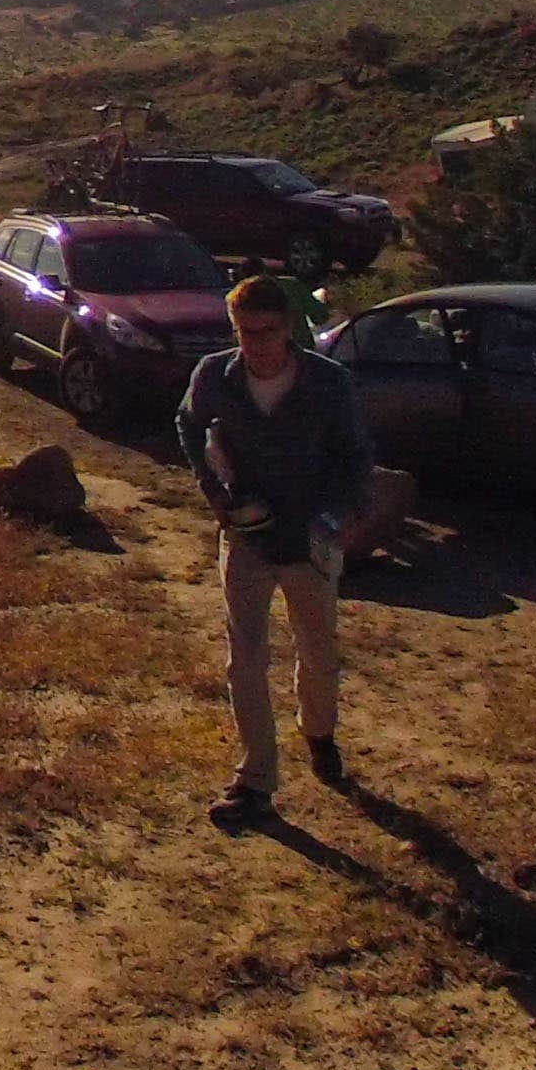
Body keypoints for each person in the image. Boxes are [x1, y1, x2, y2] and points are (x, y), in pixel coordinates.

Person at [176, 273, 377, 828]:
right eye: (244, 332)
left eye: (266, 331)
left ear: (289, 328)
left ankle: (319, 735)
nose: (256, 344)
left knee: (317, 651)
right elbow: (188, 423)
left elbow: (358, 459)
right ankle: (255, 780)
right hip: (247, 535)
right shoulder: (215, 375)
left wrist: (336, 521)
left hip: (310, 536)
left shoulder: (329, 384)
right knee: (245, 659)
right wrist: (214, 491)